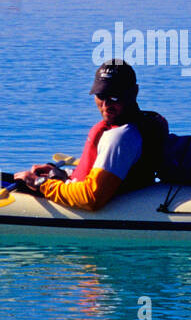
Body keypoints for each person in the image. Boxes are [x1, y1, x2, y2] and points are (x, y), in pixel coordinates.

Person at [16, 61, 168, 210]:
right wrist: (62, 175)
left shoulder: (119, 137)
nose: (106, 104)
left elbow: (90, 198)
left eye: (114, 96)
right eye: (101, 95)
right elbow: (117, 173)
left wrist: (40, 183)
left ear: (134, 92)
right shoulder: (146, 122)